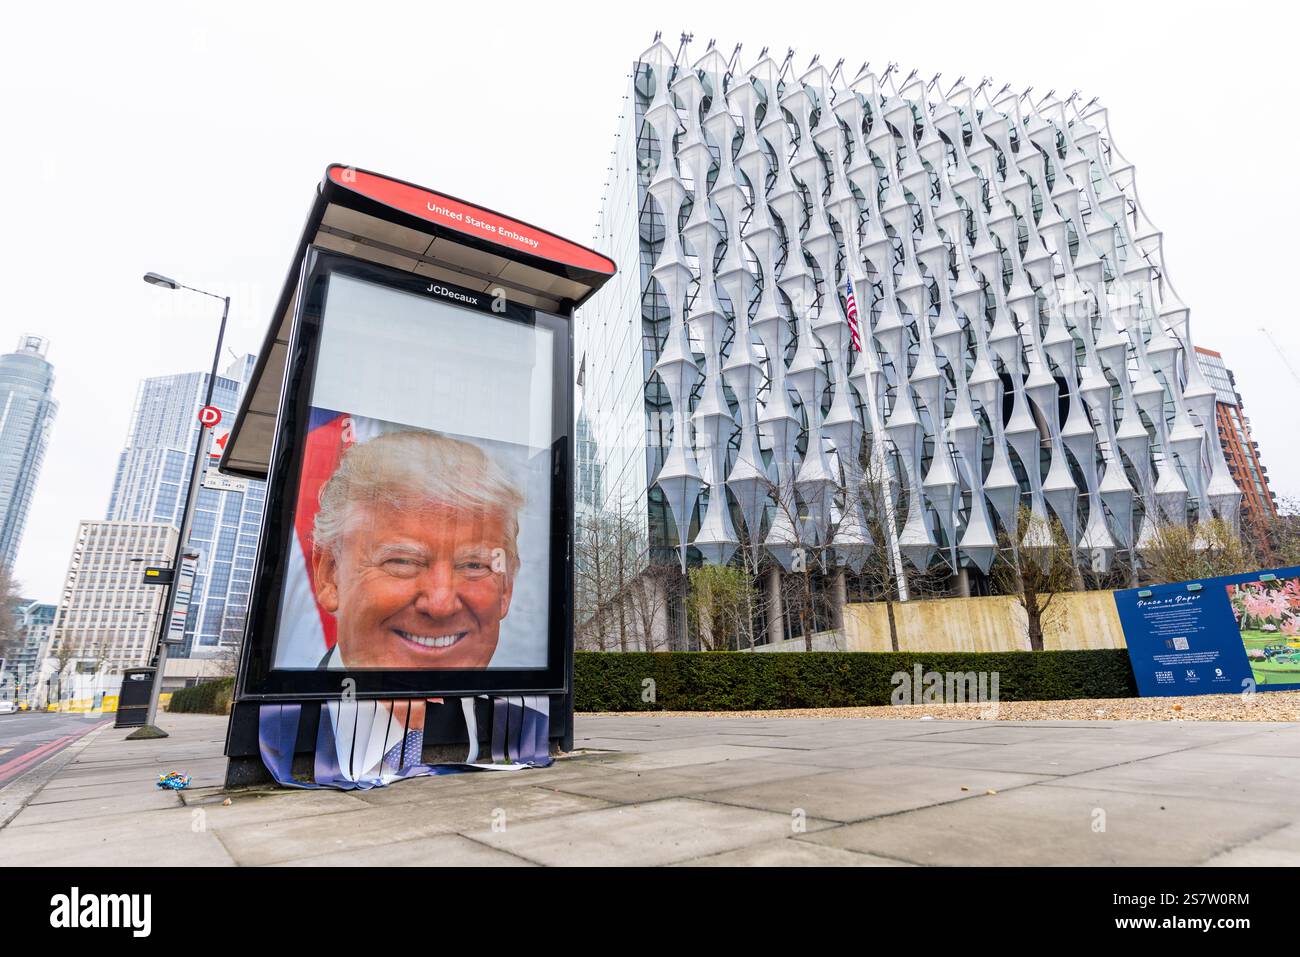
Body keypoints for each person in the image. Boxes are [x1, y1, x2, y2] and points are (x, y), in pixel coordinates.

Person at [311, 429, 524, 670]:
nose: (441, 604)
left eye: (474, 565)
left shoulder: (529, 710)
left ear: (506, 590)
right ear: (330, 576)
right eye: (403, 562)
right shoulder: (275, 709)